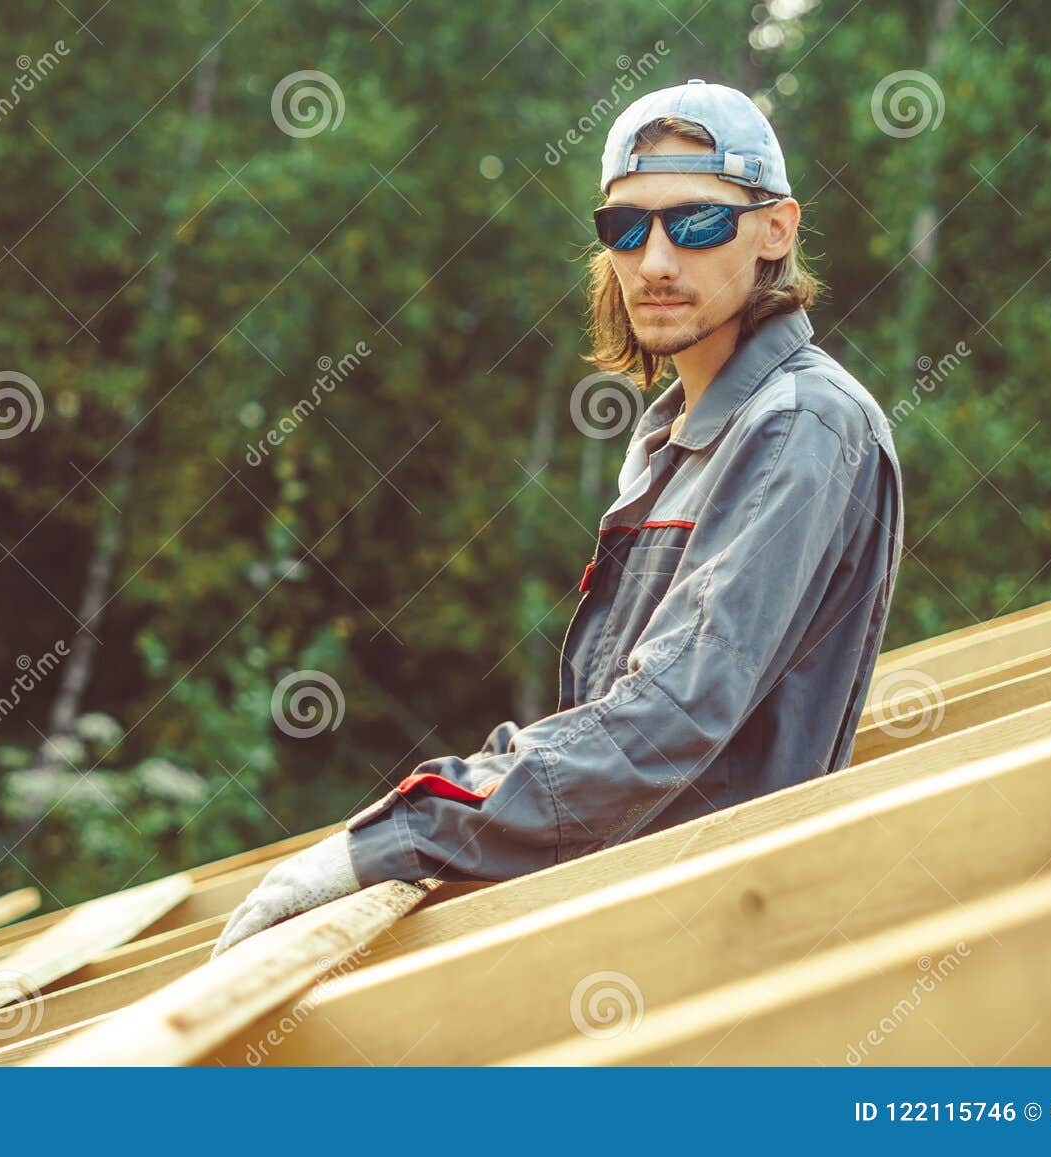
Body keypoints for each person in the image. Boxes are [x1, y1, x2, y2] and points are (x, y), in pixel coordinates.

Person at [213, 78, 903, 956]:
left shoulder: (801, 422)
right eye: (627, 227)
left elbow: (669, 716)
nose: (655, 261)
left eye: (697, 223)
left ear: (777, 229)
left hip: (702, 943)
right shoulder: (671, 435)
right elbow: (609, 720)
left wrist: (397, 836)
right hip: (618, 917)